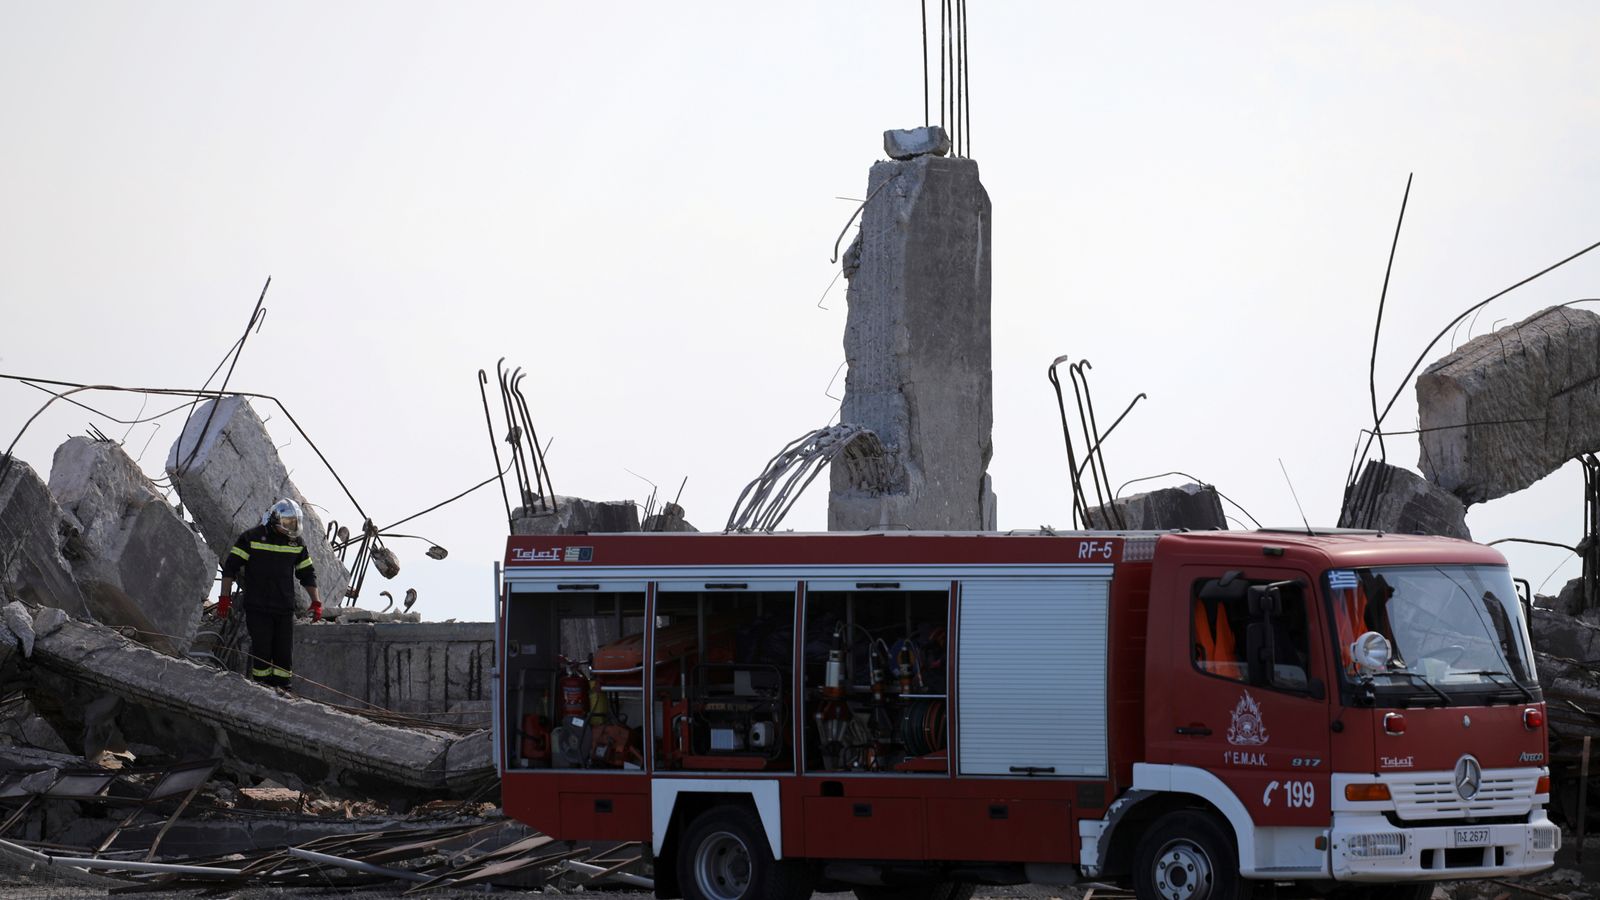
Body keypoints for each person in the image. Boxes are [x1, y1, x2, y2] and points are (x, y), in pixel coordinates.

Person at [215, 498, 323, 689]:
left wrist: (316, 601)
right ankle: (261, 690)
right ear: (276, 519)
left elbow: (306, 573)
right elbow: (230, 568)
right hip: (258, 609)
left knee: (284, 659)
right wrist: (224, 598)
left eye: (295, 523)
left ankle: (283, 691)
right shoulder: (251, 538)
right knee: (262, 656)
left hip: (284, 610)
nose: (292, 527)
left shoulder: (296, 543)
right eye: (288, 522)